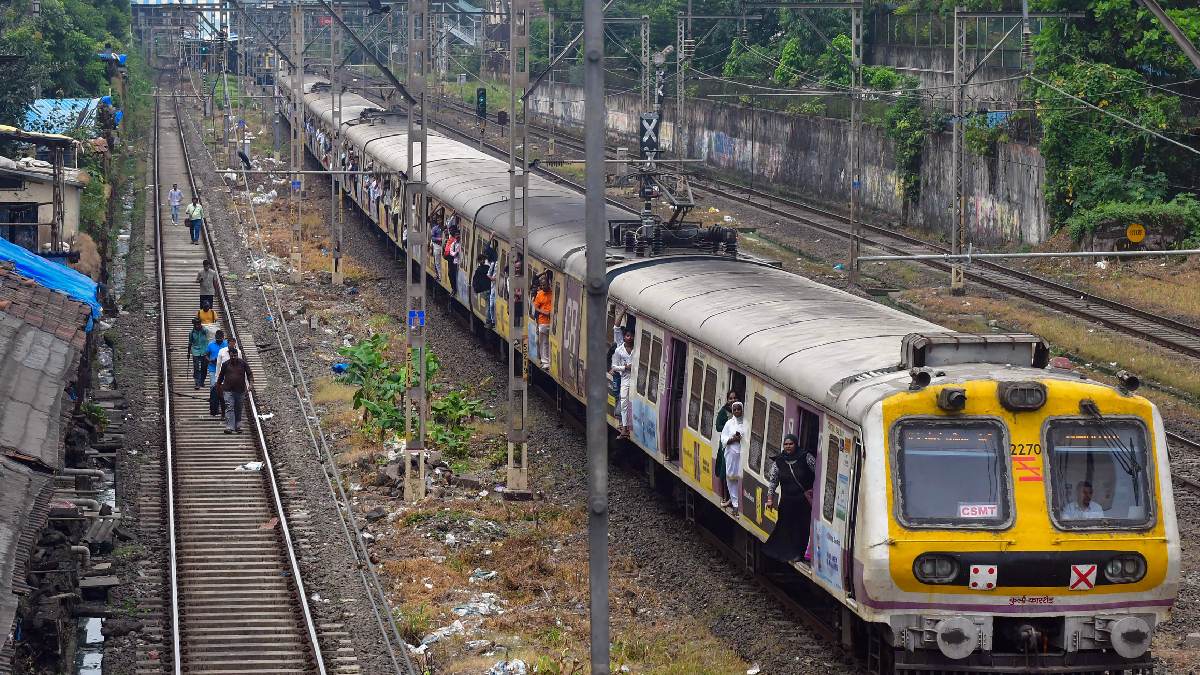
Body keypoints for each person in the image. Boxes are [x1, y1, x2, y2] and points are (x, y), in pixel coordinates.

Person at [763, 434, 817, 564]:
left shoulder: (806, 457)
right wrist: (770, 499)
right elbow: (773, 481)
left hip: (803, 502)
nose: (788, 447)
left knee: (801, 527)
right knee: (786, 527)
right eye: (786, 444)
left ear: (796, 444)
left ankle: (799, 553)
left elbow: (818, 474)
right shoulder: (779, 461)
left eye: (790, 444)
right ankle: (788, 553)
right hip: (787, 501)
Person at [216, 346, 254, 434]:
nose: (234, 357)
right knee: (229, 407)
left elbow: (249, 374)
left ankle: (237, 425)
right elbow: (221, 376)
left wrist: (251, 384)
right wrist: (218, 386)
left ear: (237, 355)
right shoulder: (225, 364)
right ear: (229, 355)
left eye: (235, 356)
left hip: (240, 390)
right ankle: (229, 427)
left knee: (238, 408)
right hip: (228, 390)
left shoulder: (243, 363)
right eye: (232, 356)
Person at [713, 389, 739, 506]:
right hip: (725, 445)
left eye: (734, 398)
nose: (733, 400)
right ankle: (724, 497)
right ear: (727, 400)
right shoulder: (724, 412)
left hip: (737, 447)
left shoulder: (739, 411)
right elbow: (718, 427)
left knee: (733, 472)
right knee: (725, 471)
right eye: (730, 398)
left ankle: (732, 498)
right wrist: (730, 427)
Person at [719, 400, 746, 511]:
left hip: (742, 455)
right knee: (731, 478)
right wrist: (733, 439)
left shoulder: (746, 423)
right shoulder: (729, 423)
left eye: (739, 409)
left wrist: (742, 440)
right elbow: (723, 438)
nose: (737, 411)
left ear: (742, 410)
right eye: (734, 409)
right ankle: (735, 503)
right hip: (731, 454)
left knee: (740, 478)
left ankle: (740, 502)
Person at [610, 325, 635, 439]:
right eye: (627, 335)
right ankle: (624, 428)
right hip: (625, 378)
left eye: (631, 336)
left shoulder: (637, 348)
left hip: (637, 379)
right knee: (624, 402)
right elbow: (614, 366)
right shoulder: (618, 351)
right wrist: (625, 367)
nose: (630, 338)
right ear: (624, 337)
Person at [206, 330, 228, 417]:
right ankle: (214, 405)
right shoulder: (210, 344)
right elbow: (206, 355)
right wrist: (210, 360)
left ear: (223, 338)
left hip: (224, 369)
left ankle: (222, 405)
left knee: (223, 387)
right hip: (213, 369)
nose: (219, 341)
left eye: (220, 339)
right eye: (217, 339)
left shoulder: (226, 344)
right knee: (213, 386)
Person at [533, 273, 553, 369]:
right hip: (543, 321)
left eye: (544, 285)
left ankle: (551, 361)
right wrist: (544, 312)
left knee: (551, 343)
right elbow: (536, 308)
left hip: (553, 322)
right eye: (541, 285)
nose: (542, 287)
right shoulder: (539, 294)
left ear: (548, 283)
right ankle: (545, 362)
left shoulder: (553, 293)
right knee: (544, 342)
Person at [188, 318, 210, 389]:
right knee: (196, 367)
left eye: (199, 324)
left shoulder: (205, 331)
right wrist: (188, 353)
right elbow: (190, 343)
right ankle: (197, 383)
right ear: (193, 325)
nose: (197, 326)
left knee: (204, 367)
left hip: (204, 351)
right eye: (196, 324)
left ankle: (202, 381)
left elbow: (209, 340)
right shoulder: (191, 333)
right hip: (195, 351)